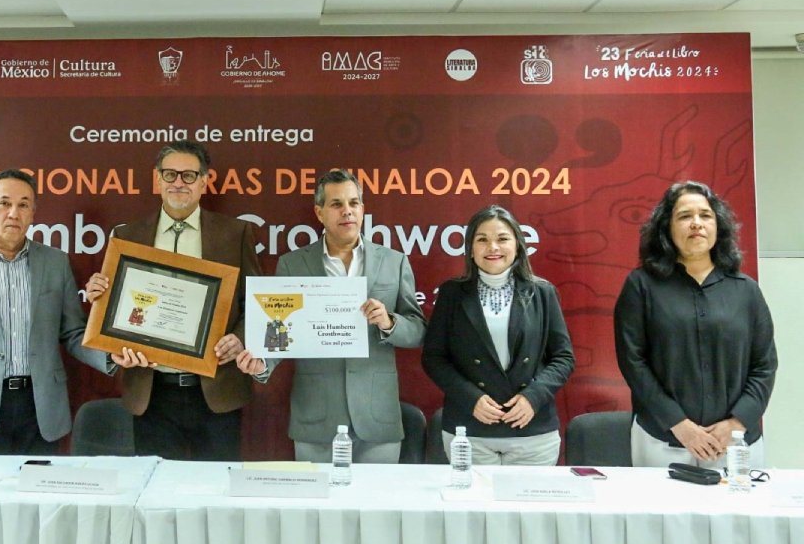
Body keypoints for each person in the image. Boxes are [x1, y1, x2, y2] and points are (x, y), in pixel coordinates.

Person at [0, 169, 147, 456]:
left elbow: (72, 333)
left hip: (40, 408)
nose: (13, 213)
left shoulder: (55, 263)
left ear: (33, 214)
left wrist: (108, 354)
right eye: (4, 203)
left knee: (40, 495)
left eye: (24, 205)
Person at [85, 140, 261, 460]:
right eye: (170, 174)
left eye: (189, 175)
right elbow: (114, 313)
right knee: (156, 501)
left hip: (217, 390)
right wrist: (100, 296)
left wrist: (240, 337)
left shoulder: (235, 234)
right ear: (157, 179)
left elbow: (256, 304)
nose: (178, 182)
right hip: (151, 393)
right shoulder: (127, 237)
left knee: (216, 498)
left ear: (205, 181)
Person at [234, 169, 426, 463]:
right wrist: (262, 364)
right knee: (316, 509)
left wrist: (389, 323)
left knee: (376, 508)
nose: (347, 211)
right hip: (316, 418)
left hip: (378, 418)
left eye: (354, 203)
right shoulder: (292, 264)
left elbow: (417, 331)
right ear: (319, 212)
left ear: (362, 209)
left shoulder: (394, 262)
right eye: (336, 204)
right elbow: (281, 329)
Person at [614, 181, 776, 469]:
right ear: (667, 228)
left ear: (718, 226)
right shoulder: (642, 286)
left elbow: (764, 365)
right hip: (663, 439)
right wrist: (678, 423)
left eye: (705, 215)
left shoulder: (746, 291)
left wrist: (735, 424)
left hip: (734, 443)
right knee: (662, 515)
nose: (696, 224)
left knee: (736, 515)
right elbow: (633, 362)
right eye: (685, 216)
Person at [422, 205, 574, 466]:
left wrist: (533, 397)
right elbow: (434, 358)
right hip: (469, 429)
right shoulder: (451, 293)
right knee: (473, 507)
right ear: (470, 248)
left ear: (517, 245)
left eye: (502, 238)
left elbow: (563, 358)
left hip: (532, 430)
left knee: (528, 508)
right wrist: (472, 398)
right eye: (482, 239)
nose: (493, 247)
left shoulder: (542, 292)